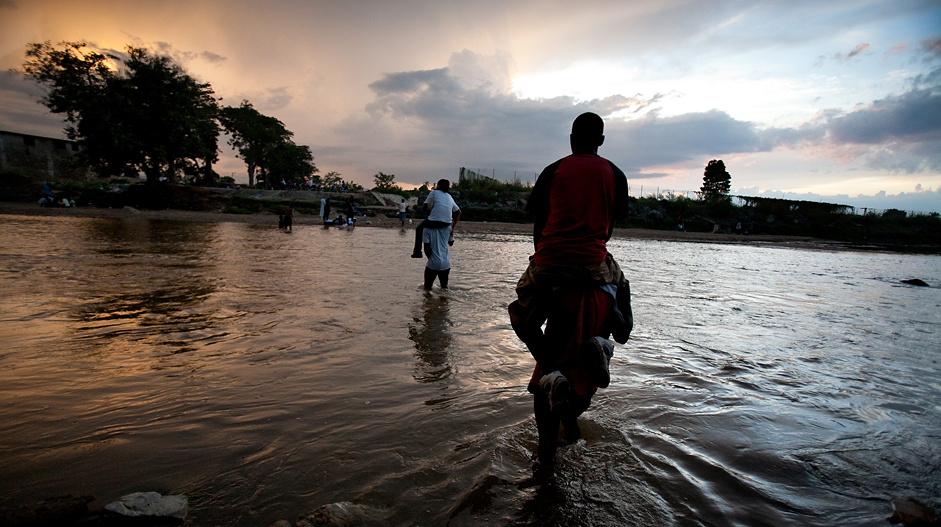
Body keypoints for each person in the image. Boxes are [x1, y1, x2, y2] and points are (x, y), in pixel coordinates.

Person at [508, 112, 633, 464]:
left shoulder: (553, 170)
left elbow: (538, 225)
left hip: (551, 261)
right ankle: (603, 344)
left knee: (522, 316)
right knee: (619, 289)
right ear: (602, 141)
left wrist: (541, 262)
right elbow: (607, 229)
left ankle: (550, 372)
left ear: (570, 137)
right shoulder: (615, 174)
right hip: (595, 261)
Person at [411, 179, 460, 258]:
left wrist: (428, 210)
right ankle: (450, 238)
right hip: (447, 223)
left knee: (419, 229)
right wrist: (452, 228)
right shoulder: (449, 196)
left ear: (438, 186)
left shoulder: (433, 193)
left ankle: (417, 252)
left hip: (434, 220)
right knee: (446, 229)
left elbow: (425, 206)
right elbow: (458, 212)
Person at [422, 221, 452, 291]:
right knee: (444, 288)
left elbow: (426, 249)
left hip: (433, 263)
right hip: (446, 263)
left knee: (427, 288)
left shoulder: (426, 229)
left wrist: (431, 259)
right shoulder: (448, 227)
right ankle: (444, 301)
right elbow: (451, 242)